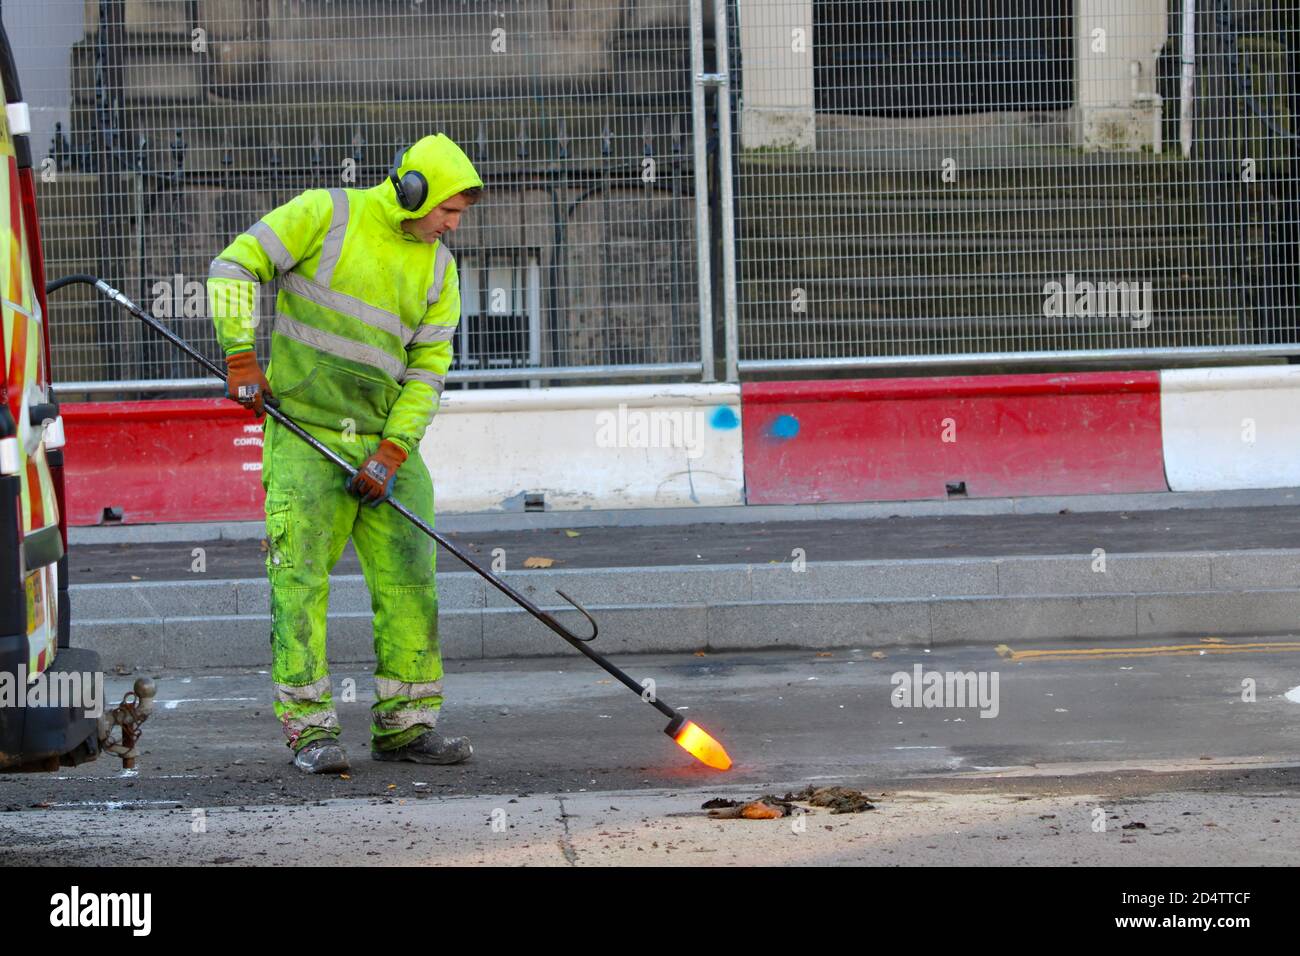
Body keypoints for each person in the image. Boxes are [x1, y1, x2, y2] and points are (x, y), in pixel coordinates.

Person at [207, 133, 483, 773]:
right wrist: (241, 354)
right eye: (446, 209)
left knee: (412, 579)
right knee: (299, 582)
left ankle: (406, 726)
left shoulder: (440, 269)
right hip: (305, 433)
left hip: (386, 445)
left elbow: (428, 370)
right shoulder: (326, 214)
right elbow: (234, 265)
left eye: (458, 215)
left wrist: (392, 451)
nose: (451, 224)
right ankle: (309, 731)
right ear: (411, 190)